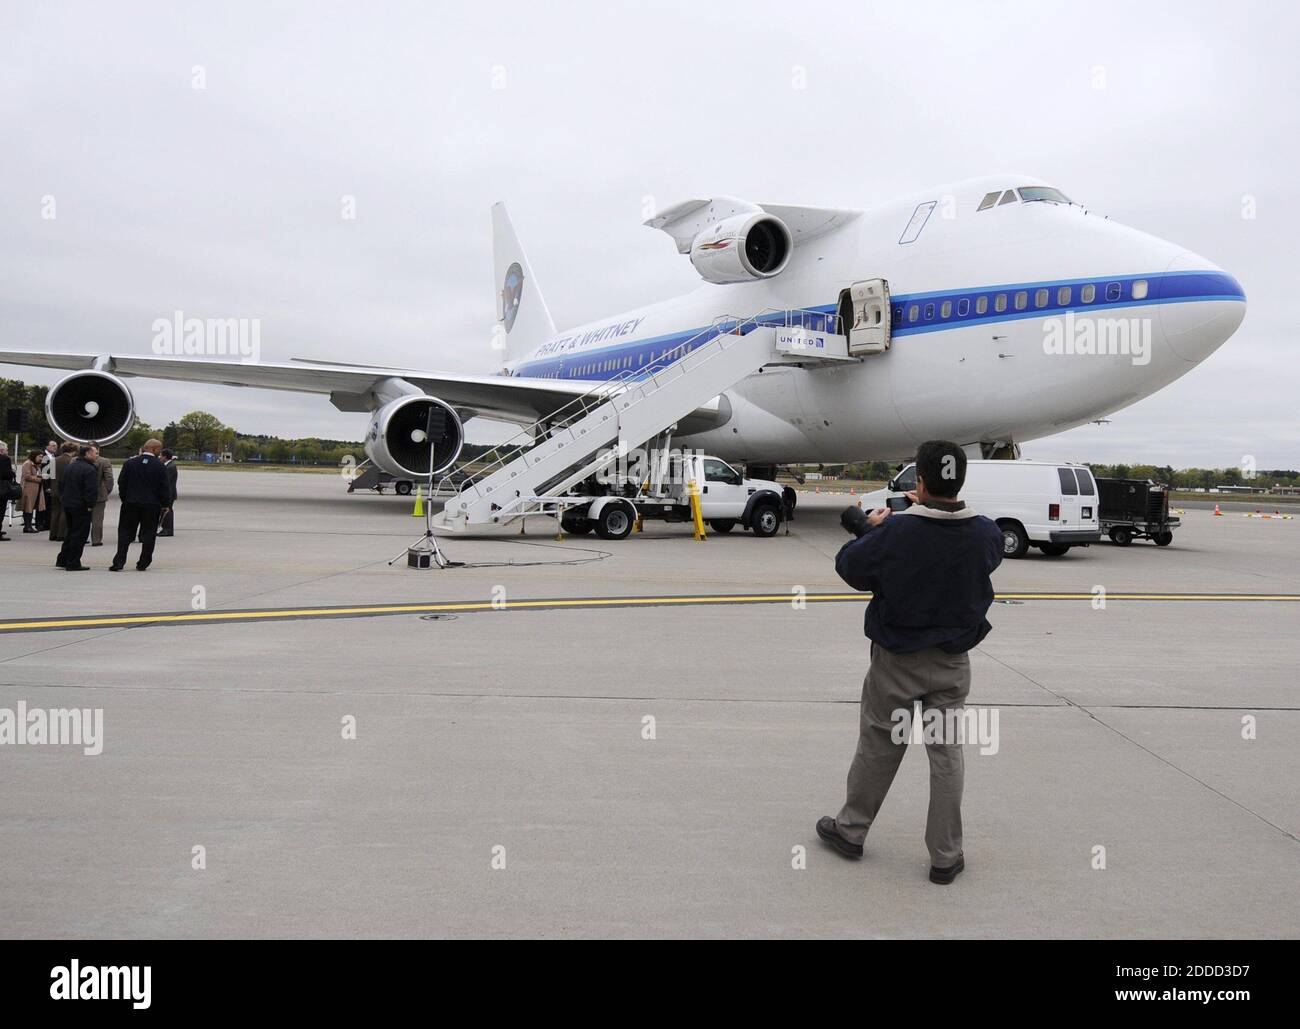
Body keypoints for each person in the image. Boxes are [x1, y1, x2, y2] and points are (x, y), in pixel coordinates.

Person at [816, 440, 1003, 885]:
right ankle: (945, 856)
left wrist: (877, 529)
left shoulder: (897, 533)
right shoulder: (987, 533)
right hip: (952, 663)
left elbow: (851, 569)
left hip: (897, 662)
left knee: (880, 745)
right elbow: (969, 554)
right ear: (959, 480)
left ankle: (851, 830)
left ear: (919, 481)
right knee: (946, 755)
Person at [111, 439, 172, 572]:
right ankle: (143, 562)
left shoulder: (130, 463)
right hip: (151, 505)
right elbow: (164, 487)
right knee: (149, 534)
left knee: (125, 533)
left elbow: (122, 482)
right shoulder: (160, 466)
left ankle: (119, 562)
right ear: (155, 449)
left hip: (130, 503)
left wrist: (125, 498)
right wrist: (165, 504)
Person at [56, 444, 100, 570]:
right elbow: (91, 490)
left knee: (71, 532)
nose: (96, 455)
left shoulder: (71, 466)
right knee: (79, 534)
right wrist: (90, 505)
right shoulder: (89, 469)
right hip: (81, 506)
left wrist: (64, 499)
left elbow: (61, 485)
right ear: (87, 454)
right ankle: (73, 562)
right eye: (95, 453)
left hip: (69, 504)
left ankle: (63, 559)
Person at [48, 441, 77, 541]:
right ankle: (61, 534)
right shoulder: (72, 461)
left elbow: (49, 476)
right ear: (73, 451)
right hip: (66, 490)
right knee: (64, 512)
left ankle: (53, 534)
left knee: (55, 512)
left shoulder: (53, 460)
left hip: (54, 489)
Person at [90, 444, 115, 547]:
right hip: (99, 494)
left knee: (82, 518)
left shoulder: (76, 460)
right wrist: (106, 490)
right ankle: (96, 540)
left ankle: (81, 538)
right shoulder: (104, 461)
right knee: (97, 519)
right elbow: (109, 478)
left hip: (82, 494)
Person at [20, 450, 46, 533]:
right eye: (39, 456)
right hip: (28, 489)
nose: (41, 458)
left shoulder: (37, 465)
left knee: (31, 507)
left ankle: (28, 525)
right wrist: (39, 479)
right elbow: (27, 476)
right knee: (28, 507)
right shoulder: (28, 463)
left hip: (35, 489)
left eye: (42, 457)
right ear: (34, 456)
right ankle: (27, 526)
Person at [159, 449, 178, 536]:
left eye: (161, 456)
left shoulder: (170, 467)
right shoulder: (168, 465)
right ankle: (166, 529)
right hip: (169, 493)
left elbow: (167, 482)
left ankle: (167, 530)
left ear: (165, 457)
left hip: (169, 494)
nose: (160, 457)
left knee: (167, 511)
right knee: (166, 510)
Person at [0, 443, 15, 542]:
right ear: (1, 450)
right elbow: (5, 474)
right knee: (1, 511)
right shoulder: (5, 459)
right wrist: (12, 472)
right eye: (6, 449)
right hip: (2, 489)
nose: (7, 451)